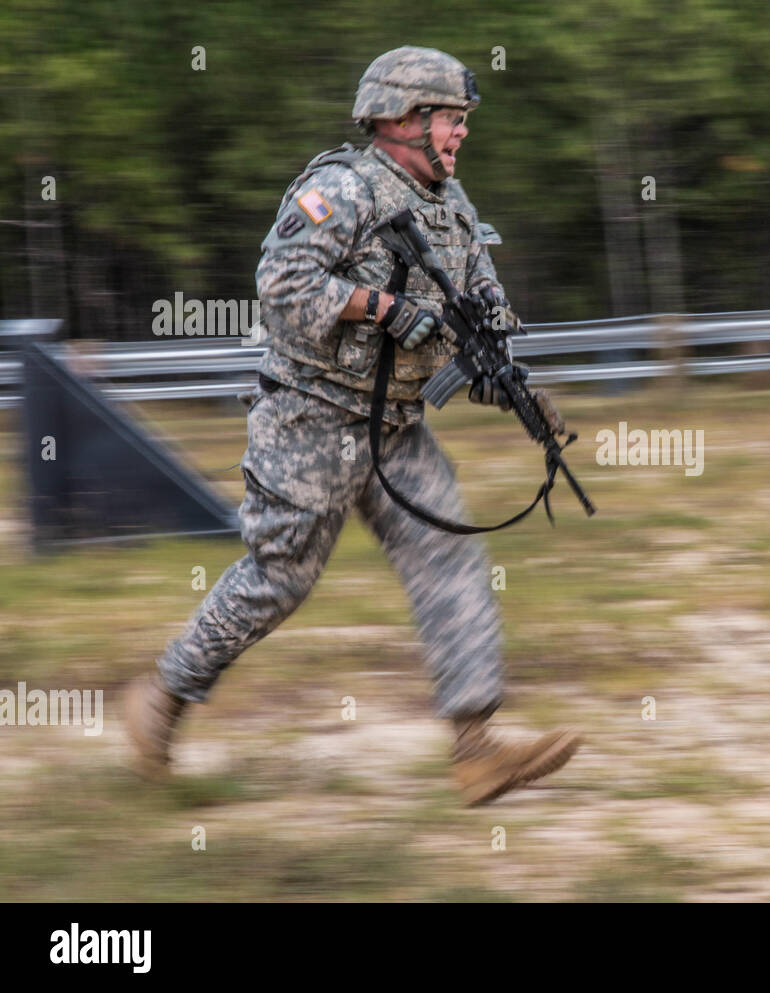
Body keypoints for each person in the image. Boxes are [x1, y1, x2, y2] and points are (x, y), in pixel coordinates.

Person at [125, 46, 581, 806]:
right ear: (405, 118)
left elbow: (474, 297)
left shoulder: (451, 203)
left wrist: (504, 374)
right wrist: (382, 309)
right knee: (278, 580)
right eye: (453, 119)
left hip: (395, 425)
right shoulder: (342, 187)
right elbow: (281, 283)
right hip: (310, 419)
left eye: (464, 121)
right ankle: (165, 695)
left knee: (449, 555)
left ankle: (476, 748)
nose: (463, 134)